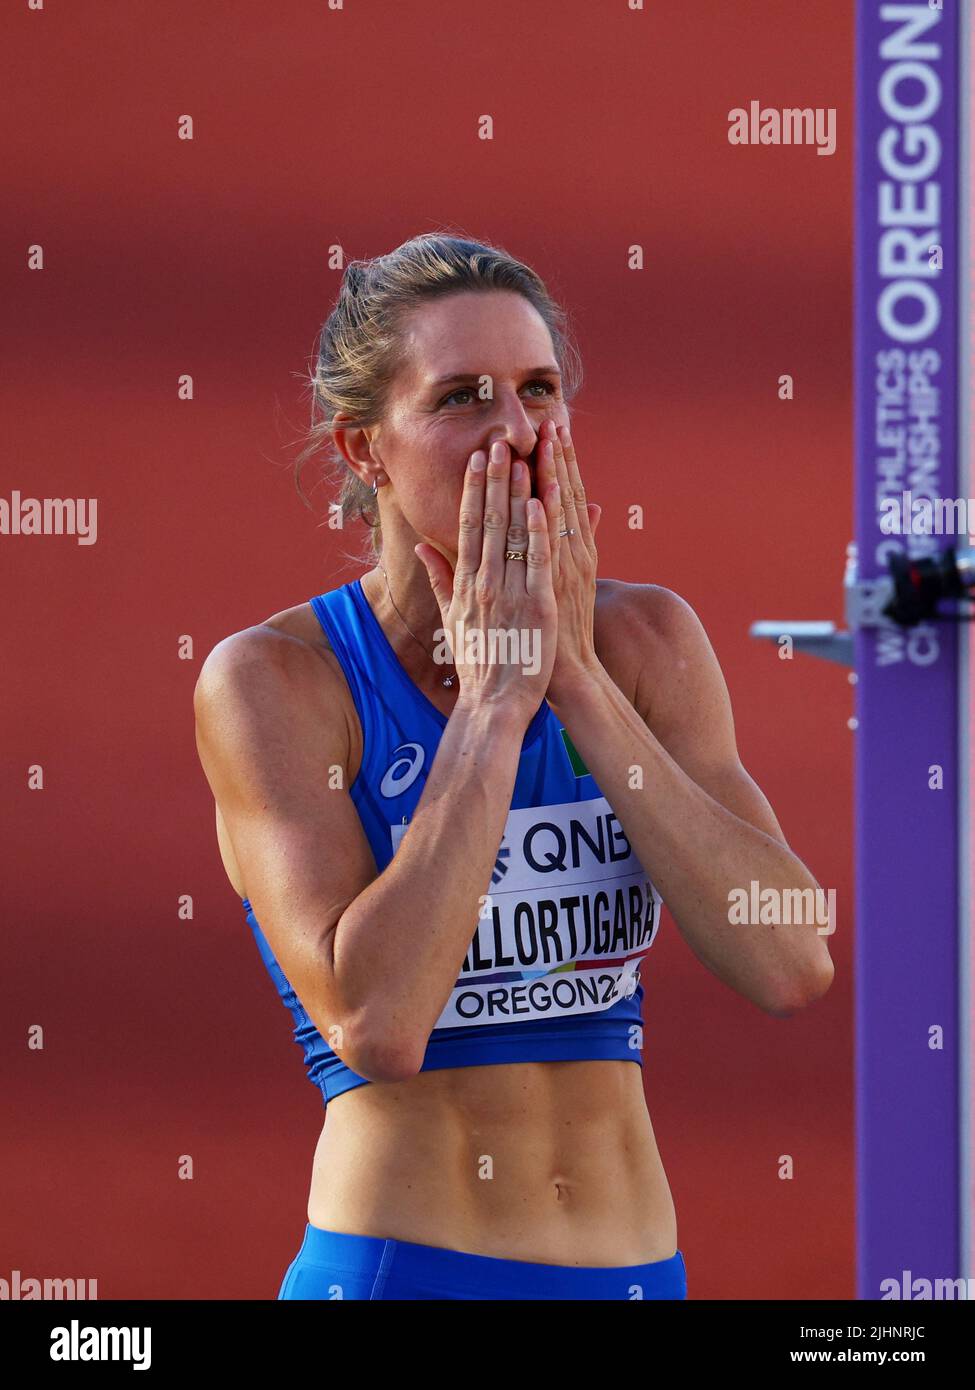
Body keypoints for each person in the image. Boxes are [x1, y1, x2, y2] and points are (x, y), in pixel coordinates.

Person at [193, 232, 833, 1300]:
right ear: (365, 449)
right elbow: (380, 1021)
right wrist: (493, 705)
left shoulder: (645, 645)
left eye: (539, 390)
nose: (518, 433)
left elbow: (791, 960)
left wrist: (574, 678)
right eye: (462, 399)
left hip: (637, 1276)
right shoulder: (278, 684)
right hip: (409, 1272)